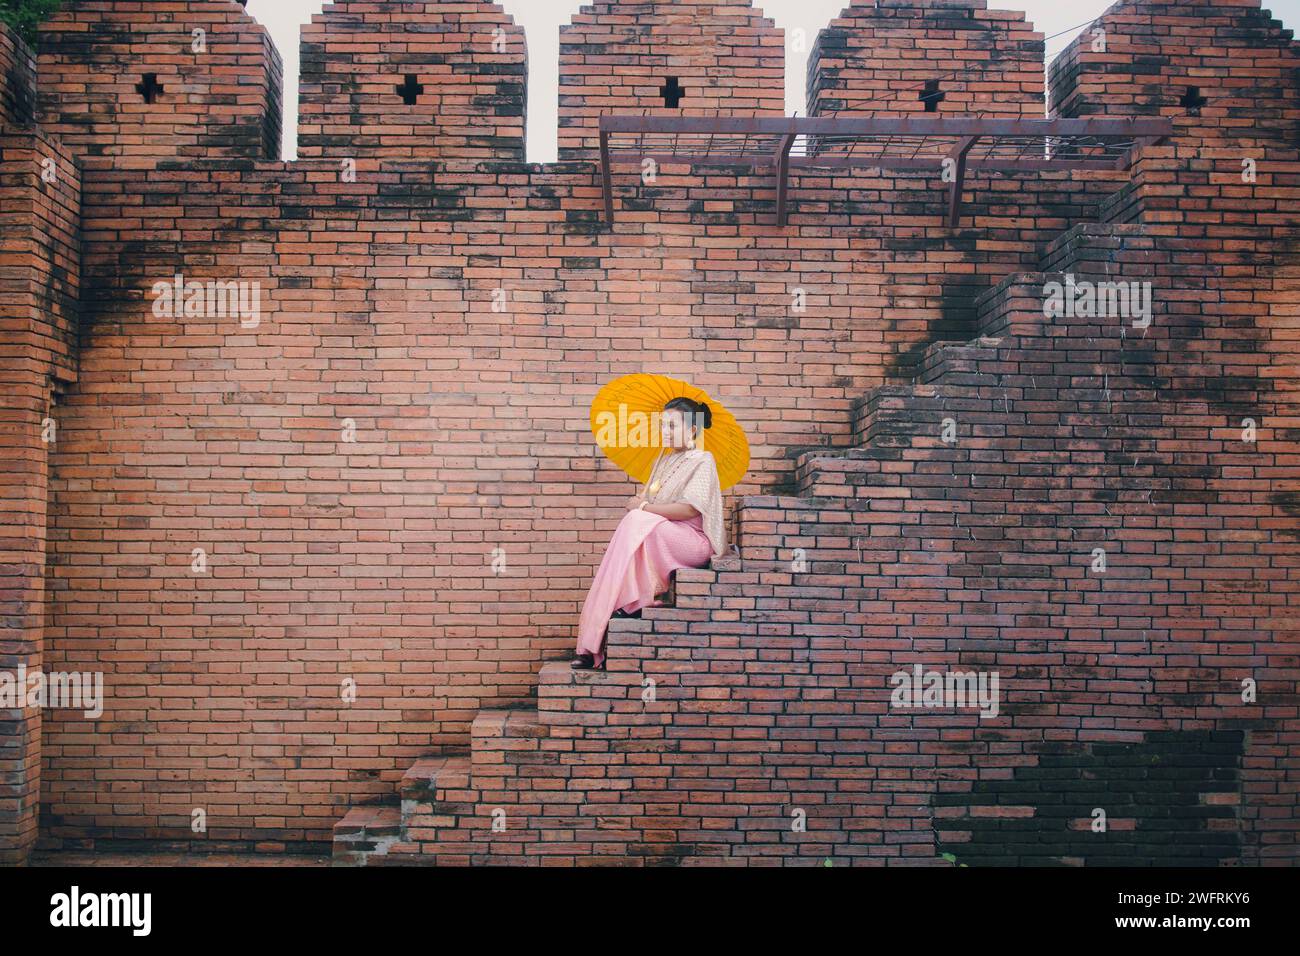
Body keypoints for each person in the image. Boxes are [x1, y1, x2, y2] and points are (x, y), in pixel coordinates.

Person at [572, 397, 727, 670]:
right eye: (662, 425)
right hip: (661, 534)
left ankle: (629, 605)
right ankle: (598, 631)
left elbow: (690, 509)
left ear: (692, 429)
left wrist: (643, 506)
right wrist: (642, 503)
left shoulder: (702, 459)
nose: (664, 431)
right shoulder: (662, 461)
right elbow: (649, 502)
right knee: (635, 526)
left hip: (691, 541)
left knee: (636, 521)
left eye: (671, 425)